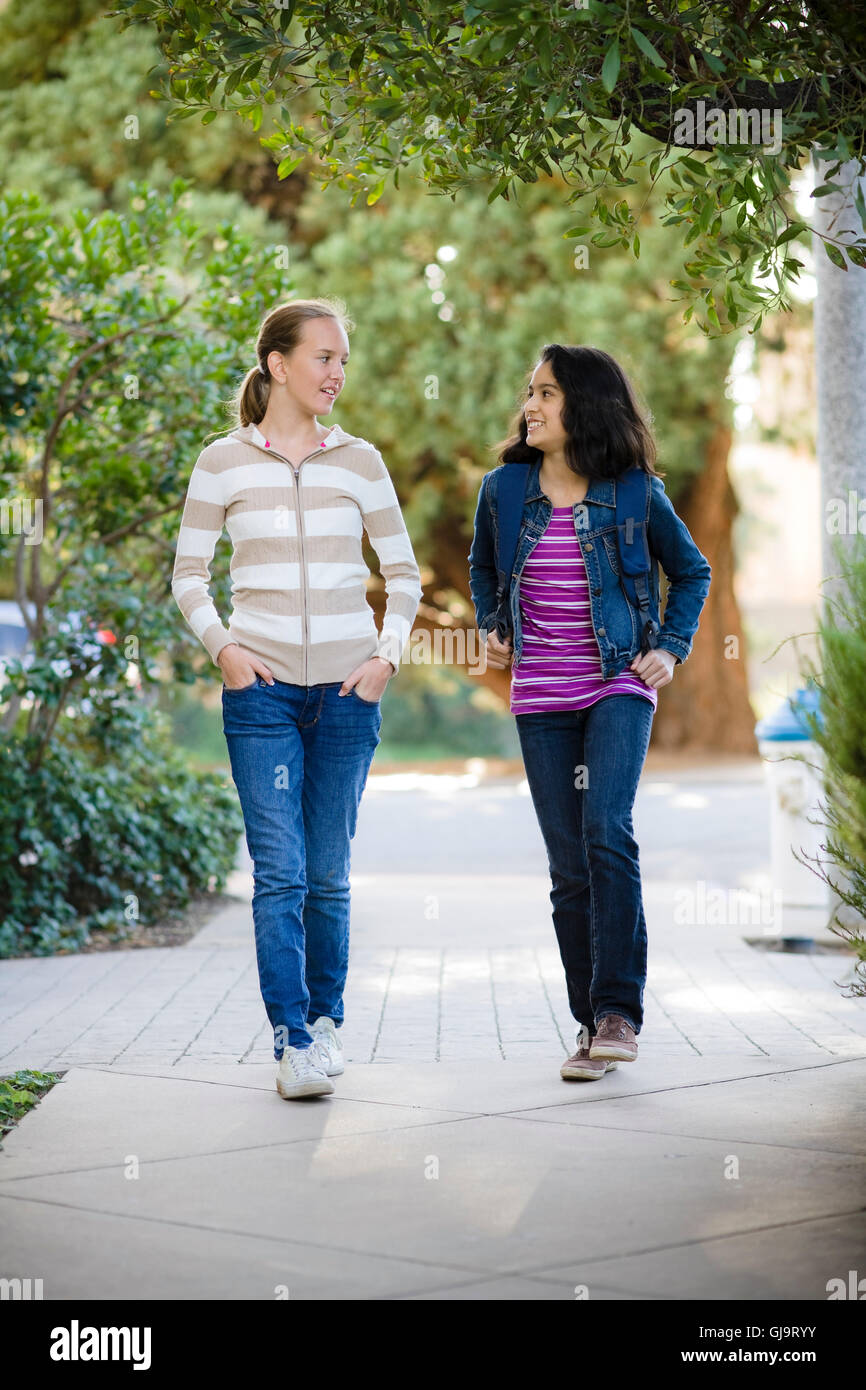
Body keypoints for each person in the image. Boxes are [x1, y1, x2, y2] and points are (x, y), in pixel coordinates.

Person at [171, 298, 422, 1100]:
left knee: (329, 874)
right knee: (280, 873)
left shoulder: (361, 462)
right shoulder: (222, 462)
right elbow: (187, 576)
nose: (337, 373)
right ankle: (291, 1041)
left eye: (343, 359)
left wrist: (386, 657)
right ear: (279, 365)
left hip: (350, 693)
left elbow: (406, 576)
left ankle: (327, 1021)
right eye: (323, 358)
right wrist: (227, 651)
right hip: (264, 696)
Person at [468, 345, 711, 1081]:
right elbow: (483, 564)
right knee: (568, 867)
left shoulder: (633, 493)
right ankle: (590, 1025)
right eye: (529, 392)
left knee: (606, 830)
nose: (530, 406)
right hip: (541, 695)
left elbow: (691, 570)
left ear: (586, 404)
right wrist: (490, 620)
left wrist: (670, 646)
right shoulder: (504, 490)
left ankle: (617, 1014)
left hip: (617, 684)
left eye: (545, 393)